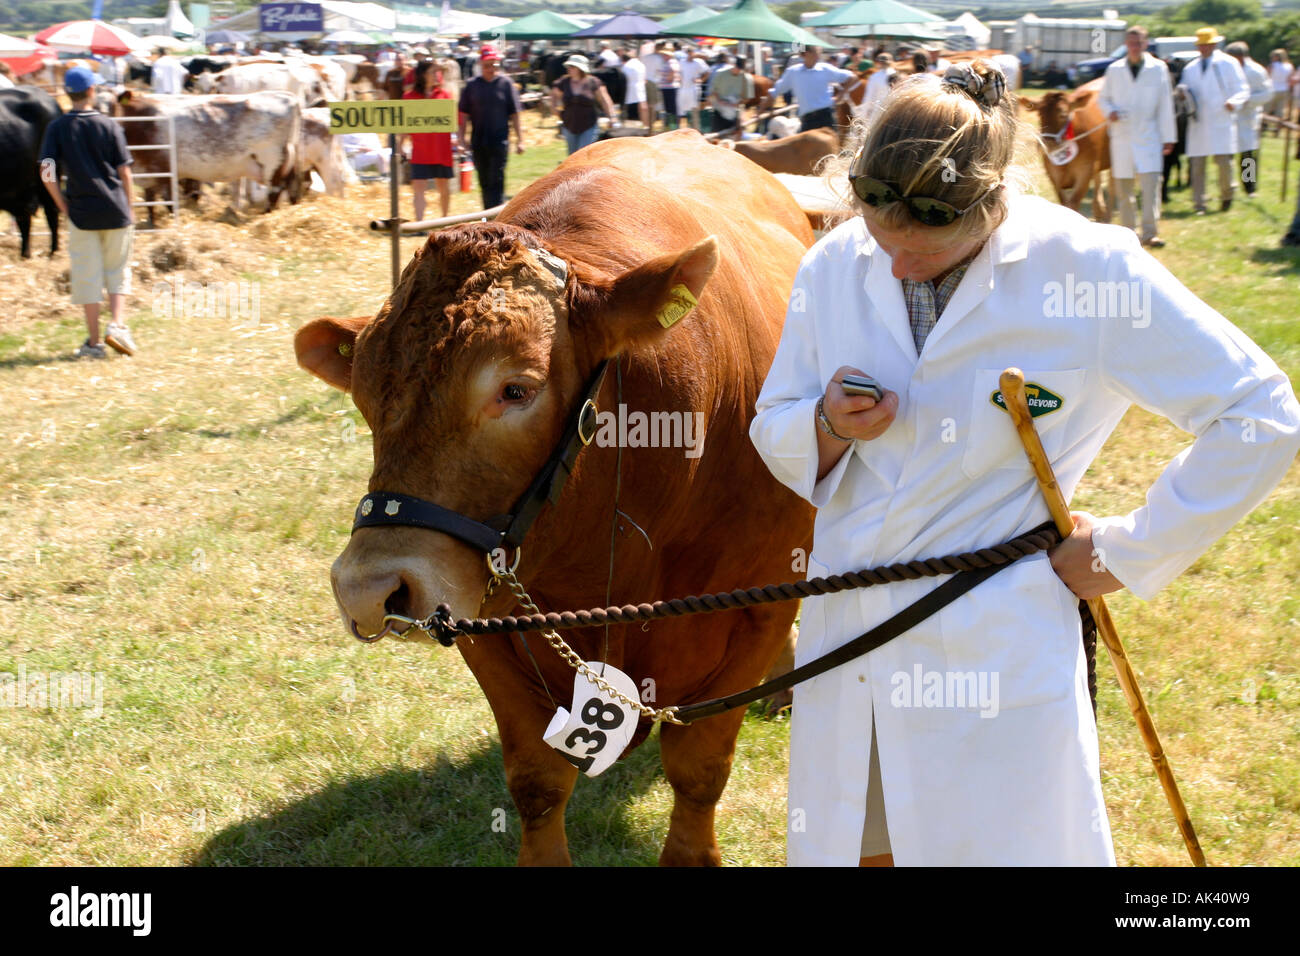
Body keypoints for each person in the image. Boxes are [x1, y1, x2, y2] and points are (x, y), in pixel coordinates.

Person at [748, 60, 1300, 866]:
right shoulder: (835, 265)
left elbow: (1258, 411)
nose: (896, 266)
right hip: (852, 633)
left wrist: (1126, 551)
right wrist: (827, 425)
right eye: (879, 234)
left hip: (992, 641)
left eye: (925, 248)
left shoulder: (1088, 271)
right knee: (857, 848)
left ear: (992, 201)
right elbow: (775, 426)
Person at [38, 67, 139, 360]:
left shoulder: (57, 127)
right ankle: (117, 326)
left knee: (87, 276)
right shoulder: (109, 125)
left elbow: (46, 171)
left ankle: (94, 343)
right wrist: (130, 207)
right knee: (117, 271)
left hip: (81, 211)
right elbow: (125, 171)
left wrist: (63, 205)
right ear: (93, 91)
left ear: (67, 94)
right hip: (116, 209)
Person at [1100, 26, 1176, 247]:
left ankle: (1150, 232)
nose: (1135, 47)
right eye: (1131, 43)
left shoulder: (1158, 68)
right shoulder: (1115, 69)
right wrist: (1110, 111)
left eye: (1139, 43)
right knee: (1124, 189)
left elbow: (1165, 103)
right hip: (1122, 135)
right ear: (1126, 44)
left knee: (1151, 187)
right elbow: (1103, 98)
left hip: (1149, 134)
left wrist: (1168, 136)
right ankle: (1128, 233)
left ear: (1146, 43)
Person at [1182, 26, 1249, 214]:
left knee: (1225, 165)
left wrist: (1233, 102)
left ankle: (1228, 195)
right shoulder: (1191, 68)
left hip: (1222, 120)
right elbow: (1187, 89)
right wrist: (1182, 94)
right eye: (1201, 45)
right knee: (1197, 168)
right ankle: (1199, 203)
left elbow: (1242, 89)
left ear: (1215, 44)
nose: (1203, 48)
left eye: (1207, 44)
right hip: (1198, 123)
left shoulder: (1228, 63)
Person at [456, 46, 523, 211]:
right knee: (484, 180)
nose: (491, 69)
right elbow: (463, 114)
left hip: (500, 140)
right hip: (478, 140)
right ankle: (487, 213)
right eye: (487, 65)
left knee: (497, 179)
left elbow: (515, 113)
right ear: (480, 64)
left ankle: (496, 215)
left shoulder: (506, 84)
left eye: (494, 65)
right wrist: (461, 138)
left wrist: (520, 140)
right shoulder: (472, 85)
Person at [401, 59, 456, 221]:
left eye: (437, 72)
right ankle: (419, 223)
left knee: (443, 186)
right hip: (420, 149)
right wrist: (400, 144)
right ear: (422, 75)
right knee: (418, 187)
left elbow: (451, 121)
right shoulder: (409, 97)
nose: (436, 75)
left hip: (441, 148)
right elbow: (406, 124)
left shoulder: (445, 95)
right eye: (432, 72)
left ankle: (445, 220)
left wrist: (456, 139)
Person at [764, 45, 857, 132]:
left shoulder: (825, 69)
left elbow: (852, 77)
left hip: (826, 117)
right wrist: (762, 109)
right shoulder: (793, 72)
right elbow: (775, 91)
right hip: (807, 120)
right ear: (806, 54)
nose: (818, 55)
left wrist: (840, 95)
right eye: (816, 52)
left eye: (818, 52)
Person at [1226, 41, 1272, 198]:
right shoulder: (1228, 69)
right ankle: (1228, 185)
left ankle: (1249, 187)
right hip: (1229, 115)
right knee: (1226, 154)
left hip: (1248, 117)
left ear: (1241, 57)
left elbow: (1267, 94)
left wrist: (1247, 100)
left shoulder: (1256, 71)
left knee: (1247, 155)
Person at [550, 54, 618, 155]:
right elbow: (554, 95)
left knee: (583, 153)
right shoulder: (563, 82)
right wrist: (555, 110)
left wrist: (612, 117)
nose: (569, 69)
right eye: (568, 66)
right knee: (572, 156)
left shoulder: (593, 82)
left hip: (589, 125)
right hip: (569, 125)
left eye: (572, 67)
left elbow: (605, 100)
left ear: (580, 68)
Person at [709, 55, 754, 140]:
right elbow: (713, 91)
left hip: (735, 111)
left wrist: (736, 104)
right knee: (717, 136)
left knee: (734, 136)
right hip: (719, 109)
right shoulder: (721, 74)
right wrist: (720, 101)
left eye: (740, 68)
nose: (737, 70)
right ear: (732, 65)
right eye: (736, 67)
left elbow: (747, 97)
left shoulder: (746, 78)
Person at [642, 40, 682, 131]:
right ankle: (667, 126)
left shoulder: (652, 58)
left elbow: (671, 72)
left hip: (661, 85)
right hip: (659, 84)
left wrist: (668, 78)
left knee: (665, 108)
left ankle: (668, 127)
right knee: (664, 107)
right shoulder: (661, 59)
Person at [677, 46, 709, 131]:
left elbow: (707, 72)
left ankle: (695, 130)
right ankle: (680, 131)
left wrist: (700, 80)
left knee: (694, 111)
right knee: (681, 111)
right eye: (688, 52)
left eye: (690, 52)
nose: (689, 54)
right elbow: (678, 73)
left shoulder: (698, 62)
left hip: (694, 89)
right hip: (683, 89)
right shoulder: (681, 62)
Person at [618, 46, 650, 128]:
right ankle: (646, 126)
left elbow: (623, 79)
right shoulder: (640, 64)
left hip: (630, 89)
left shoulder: (627, 66)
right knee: (643, 107)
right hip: (641, 87)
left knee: (632, 112)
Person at [1267, 49, 1293, 134]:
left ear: (1277, 57)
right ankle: (1277, 129)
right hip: (1284, 89)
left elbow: (1267, 75)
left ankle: (1263, 126)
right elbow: (1290, 79)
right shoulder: (1289, 66)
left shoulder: (1273, 65)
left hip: (1272, 88)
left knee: (1266, 109)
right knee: (1280, 111)